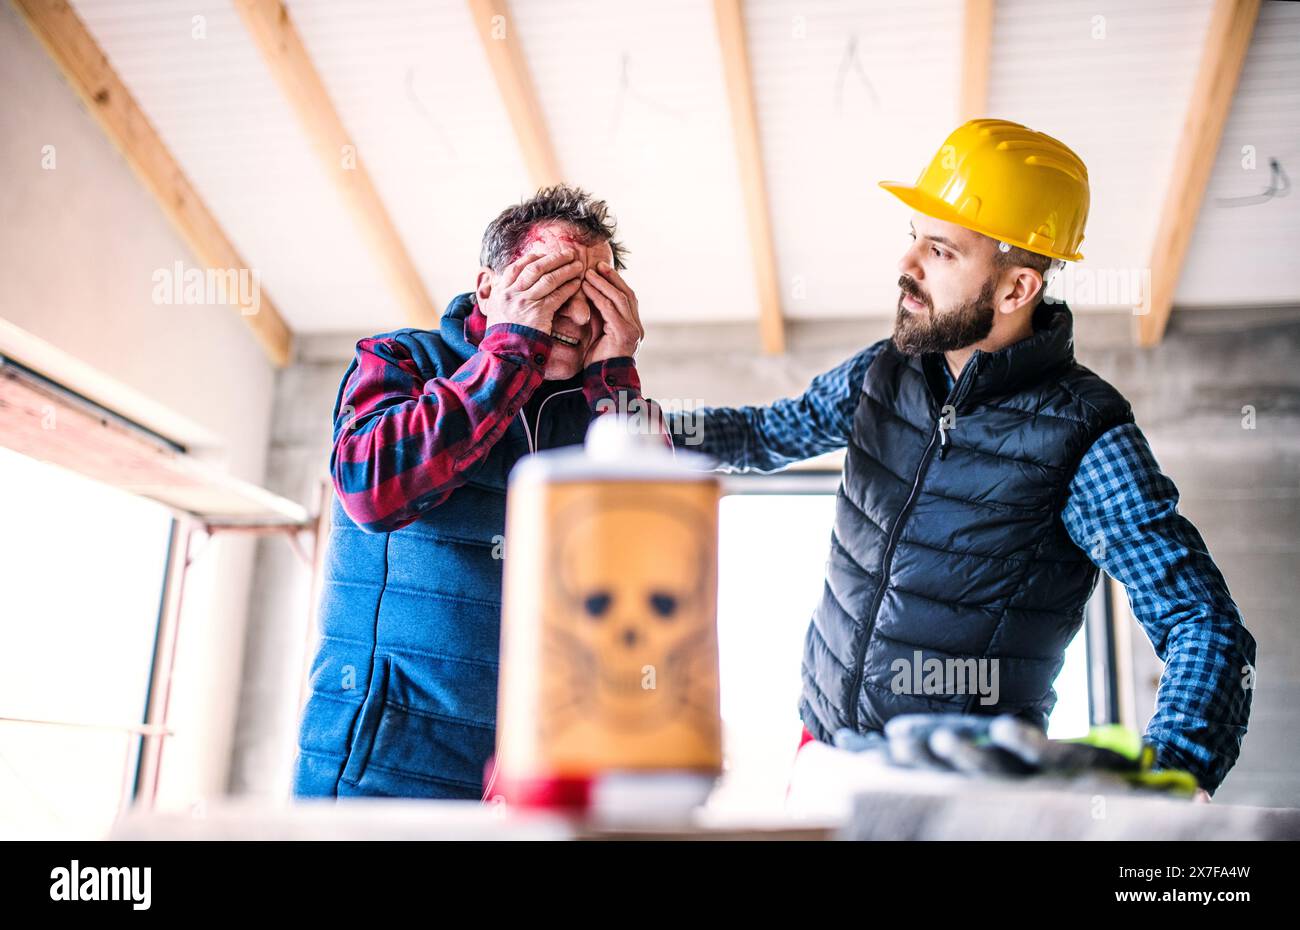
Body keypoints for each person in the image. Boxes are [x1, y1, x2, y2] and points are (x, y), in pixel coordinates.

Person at [673, 119, 1255, 800]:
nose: (907, 264)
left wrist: (1168, 787)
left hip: (956, 796)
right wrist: (624, 421)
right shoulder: (886, 371)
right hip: (822, 755)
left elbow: (1203, 622)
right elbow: (766, 433)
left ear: (1016, 290)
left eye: (941, 250)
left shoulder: (1082, 433)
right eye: (914, 235)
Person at [292, 185, 657, 799]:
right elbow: (369, 488)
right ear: (488, 288)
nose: (577, 316)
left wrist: (616, 380)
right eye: (553, 284)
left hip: (541, 768)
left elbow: (650, 559)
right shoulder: (402, 359)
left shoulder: (602, 407)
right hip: (384, 765)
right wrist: (511, 352)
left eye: (595, 293)